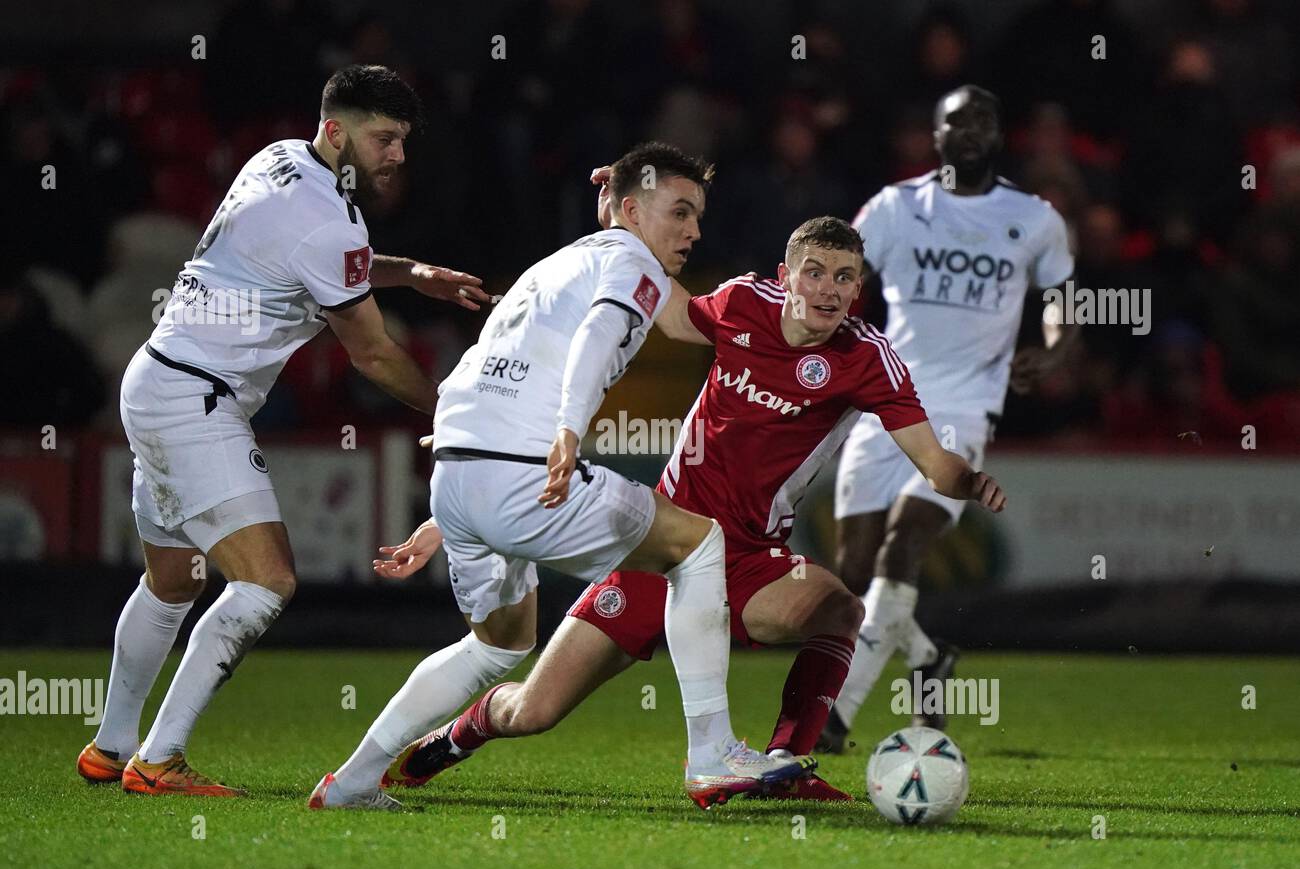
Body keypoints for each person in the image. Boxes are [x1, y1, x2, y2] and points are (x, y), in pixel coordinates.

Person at [370, 213, 1005, 807]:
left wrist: (970, 481)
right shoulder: (739, 305)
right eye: (814, 271)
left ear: (858, 288)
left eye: (844, 277)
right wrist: (627, 222)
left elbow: (934, 463)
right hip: (661, 545)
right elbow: (662, 308)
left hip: (749, 558)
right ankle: (462, 734)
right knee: (533, 712)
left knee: (838, 607)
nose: (828, 289)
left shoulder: (867, 359)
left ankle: (785, 762)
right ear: (785, 277)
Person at [310, 143, 812, 812]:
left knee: (498, 646)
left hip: (460, 475)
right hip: (526, 471)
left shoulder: (563, 263)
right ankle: (712, 753)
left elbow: (678, 323)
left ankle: (349, 781)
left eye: (698, 216)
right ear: (633, 210)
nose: (693, 230)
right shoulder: (632, 261)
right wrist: (569, 432)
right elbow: (600, 333)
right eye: (680, 212)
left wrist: (450, 510)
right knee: (699, 544)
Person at [77, 65, 492, 796]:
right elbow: (370, 351)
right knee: (267, 581)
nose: (398, 154)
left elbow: (323, 262)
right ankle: (160, 758)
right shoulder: (327, 222)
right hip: (195, 399)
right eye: (385, 138)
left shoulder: (278, 159)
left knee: (172, 581)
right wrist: (451, 412)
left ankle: (111, 745)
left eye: (402, 140)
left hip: (157, 378)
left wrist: (413, 273)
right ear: (338, 132)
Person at [823, 85, 1074, 752]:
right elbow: (839, 279)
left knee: (904, 543)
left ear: (998, 135)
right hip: (886, 406)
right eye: (956, 121)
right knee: (850, 571)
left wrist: (1049, 352)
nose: (969, 131)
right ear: (934, 137)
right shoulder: (896, 209)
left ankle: (835, 718)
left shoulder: (1033, 217)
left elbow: (1062, 301)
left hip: (964, 413)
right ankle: (929, 659)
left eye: (983, 120)